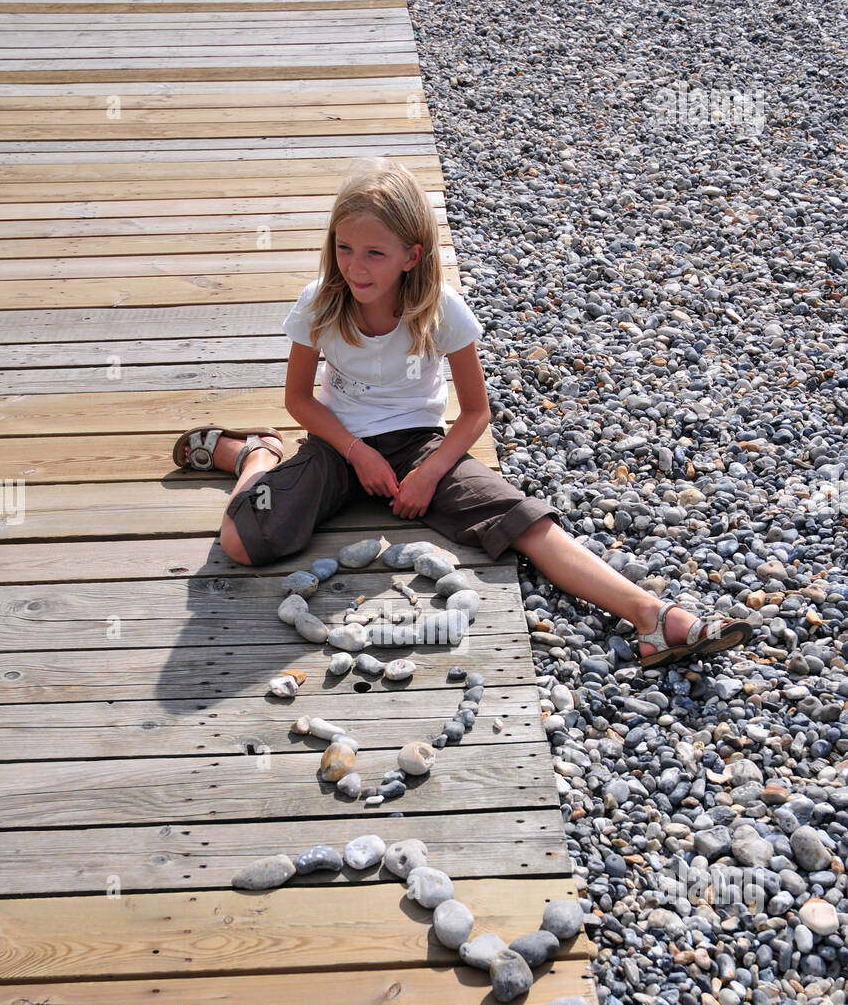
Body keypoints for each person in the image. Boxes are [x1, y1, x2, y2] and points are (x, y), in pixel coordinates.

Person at [172, 158, 754, 668]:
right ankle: (255, 455)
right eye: (344, 248)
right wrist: (355, 451)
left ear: (411, 255)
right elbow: (299, 400)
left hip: (422, 444)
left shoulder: (441, 309)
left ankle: (652, 616)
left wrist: (428, 472)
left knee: (525, 519)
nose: (356, 266)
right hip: (338, 443)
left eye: (375, 252)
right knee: (244, 544)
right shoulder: (320, 302)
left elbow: (476, 413)